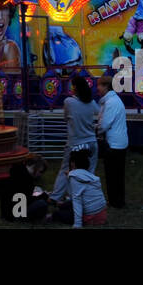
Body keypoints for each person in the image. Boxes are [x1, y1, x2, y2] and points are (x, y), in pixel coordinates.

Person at [51, 75, 100, 205]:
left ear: (75, 88)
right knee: (89, 171)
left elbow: (66, 118)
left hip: (75, 143)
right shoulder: (91, 102)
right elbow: (99, 113)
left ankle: (56, 196)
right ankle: (86, 197)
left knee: (66, 170)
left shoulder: (69, 102)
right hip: (91, 142)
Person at [97, 73, 129, 208]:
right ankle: (118, 200)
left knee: (112, 174)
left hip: (114, 144)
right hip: (120, 142)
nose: (97, 88)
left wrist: (96, 129)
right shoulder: (114, 101)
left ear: (106, 86)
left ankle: (115, 201)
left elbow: (104, 125)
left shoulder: (110, 103)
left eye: (99, 85)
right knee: (118, 174)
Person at [0, 154, 49, 222]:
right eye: (40, 171)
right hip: (15, 214)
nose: (40, 174)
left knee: (39, 192)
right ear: (34, 166)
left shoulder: (19, 172)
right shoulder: (24, 179)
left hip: (10, 211)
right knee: (42, 203)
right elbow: (25, 201)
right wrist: (43, 196)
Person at [68, 146, 108, 227]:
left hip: (91, 217)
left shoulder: (74, 176)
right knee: (67, 204)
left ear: (73, 163)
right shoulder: (89, 175)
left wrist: (77, 224)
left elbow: (77, 201)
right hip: (102, 215)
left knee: (60, 214)